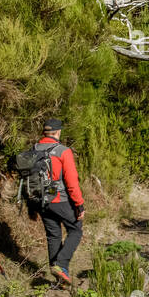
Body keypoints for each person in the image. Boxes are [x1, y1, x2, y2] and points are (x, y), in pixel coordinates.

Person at [33, 118, 85, 286]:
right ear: (58, 132)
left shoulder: (34, 149)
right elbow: (72, 182)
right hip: (59, 199)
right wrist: (79, 204)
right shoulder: (62, 151)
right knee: (75, 229)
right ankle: (61, 265)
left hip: (40, 201)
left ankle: (58, 280)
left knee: (53, 235)